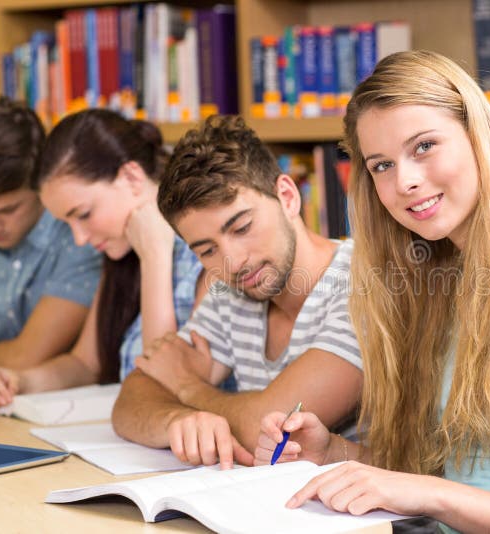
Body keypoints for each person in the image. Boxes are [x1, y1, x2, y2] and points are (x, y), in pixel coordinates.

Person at [254, 50, 490, 533]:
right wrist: (333, 453)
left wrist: (431, 495)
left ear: (477, 137)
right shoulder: (444, 273)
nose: (406, 181)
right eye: (381, 166)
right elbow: (462, 473)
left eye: (424, 146)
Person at [111, 115, 363, 469]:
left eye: (242, 227)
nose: (233, 262)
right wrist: (176, 422)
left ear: (288, 197)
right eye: (207, 250)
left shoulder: (360, 284)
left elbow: (271, 424)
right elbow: (133, 397)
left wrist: (187, 389)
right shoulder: (230, 292)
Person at [0, 109, 207, 410]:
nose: (80, 239)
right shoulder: (122, 252)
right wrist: (19, 381)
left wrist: (155, 259)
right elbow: (85, 364)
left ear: (132, 177)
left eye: (83, 215)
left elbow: (165, 386)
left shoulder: (205, 251)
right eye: (68, 223)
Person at [0, 99, 100, 385]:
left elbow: (27, 356)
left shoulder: (80, 233)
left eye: (7, 210)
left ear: (40, 186)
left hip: (56, 405)